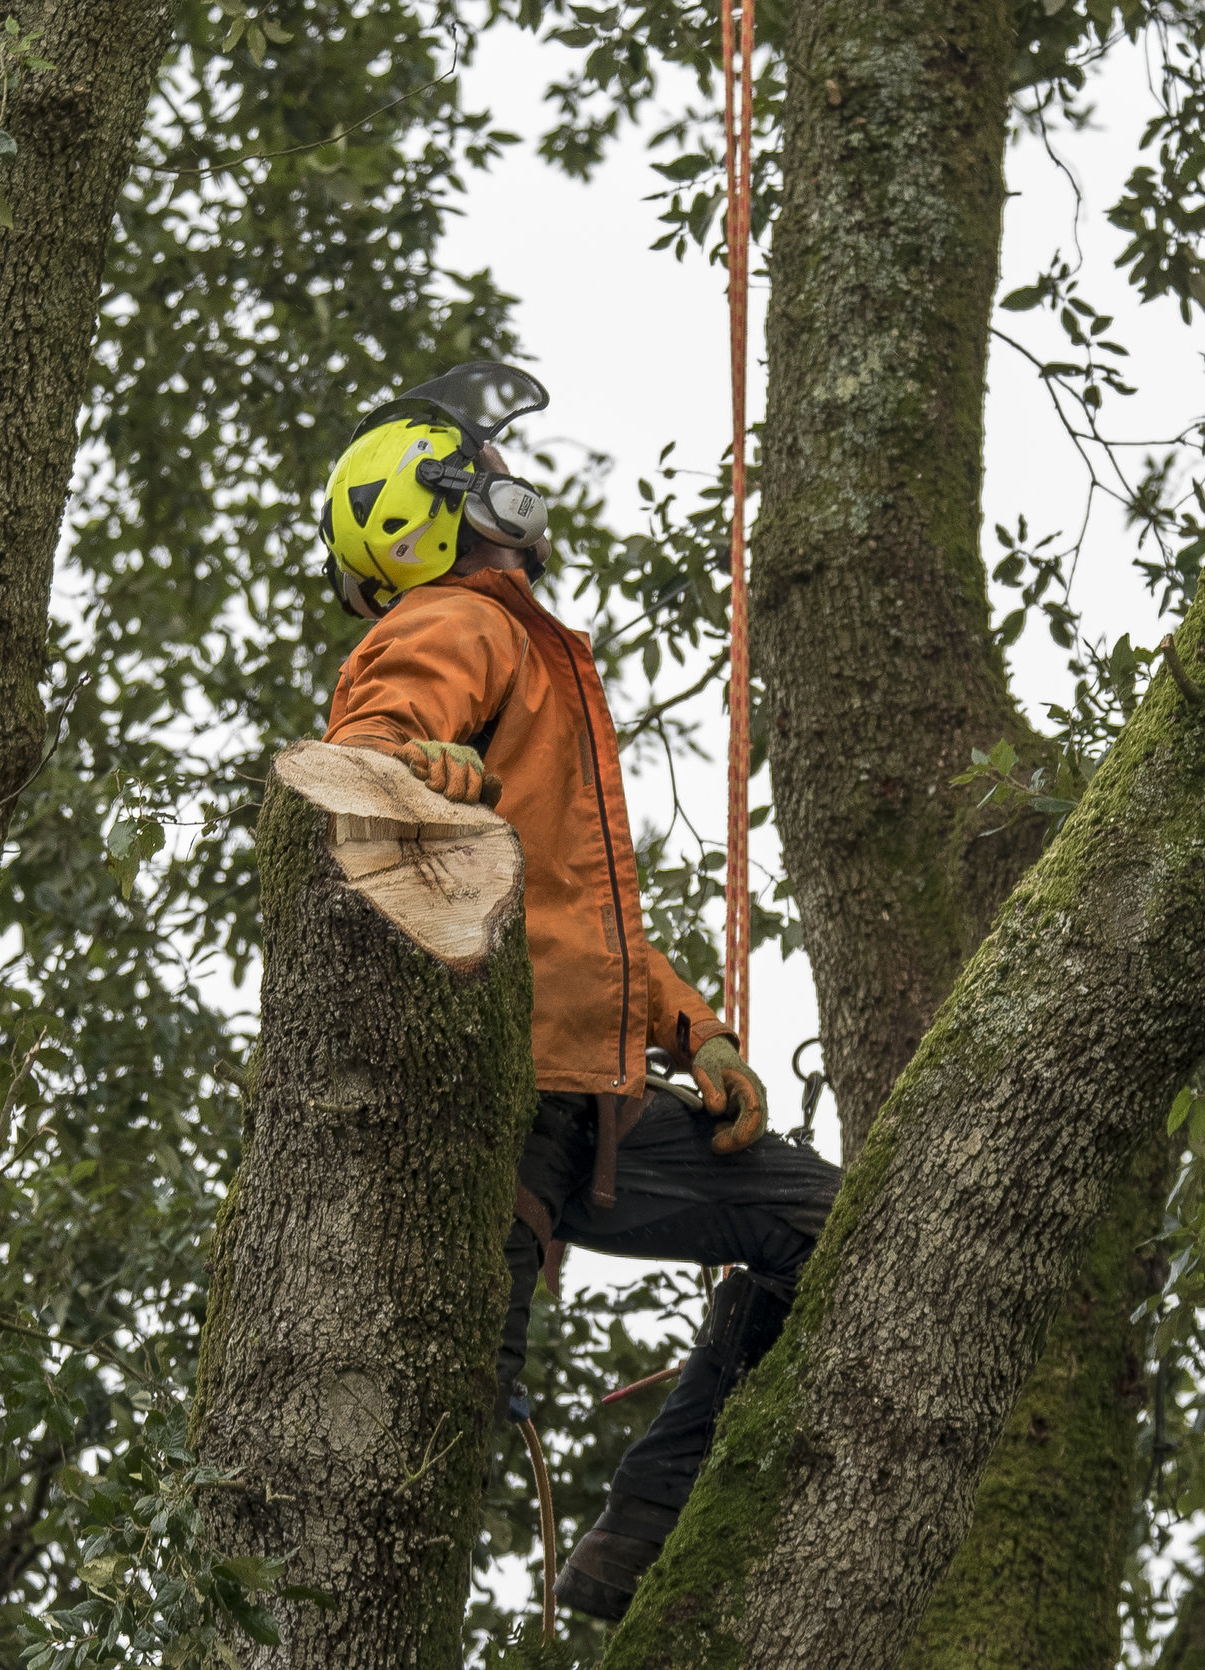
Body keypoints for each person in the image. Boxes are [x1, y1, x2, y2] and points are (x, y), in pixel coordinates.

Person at [312, 362, 841, 1620]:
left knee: (829, 1225)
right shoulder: (459, 622)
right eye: (483, 476)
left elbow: (577, 917)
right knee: (433, 1427)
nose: (511, 491)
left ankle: (641, 1530)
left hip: (584, 1104)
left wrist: (696, 1030)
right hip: (494, 1104)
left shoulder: (534, 651)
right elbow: (361, 754)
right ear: (426, 513)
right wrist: (414, 766)